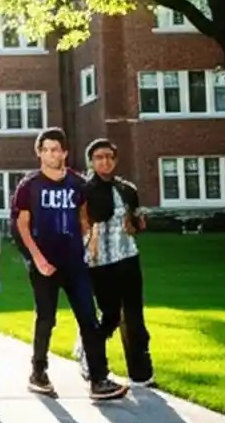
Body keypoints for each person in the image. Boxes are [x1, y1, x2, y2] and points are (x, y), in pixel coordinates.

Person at [10, 128, 128, 401]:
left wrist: (88, 241)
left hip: (74, 262)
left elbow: (86, 219)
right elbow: (21, 225)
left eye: (56, 149)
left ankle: (99, 379)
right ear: (39, 152)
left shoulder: (78, 183)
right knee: (46, 318)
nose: (51, 154)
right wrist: (37, 259)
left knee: (88, 318)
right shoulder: (29, 185)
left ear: (64, 153)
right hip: (44, 264)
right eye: (46, 149)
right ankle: (38, 373)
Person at [79, 138, 156, 387]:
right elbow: (81, 224)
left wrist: (138, 222)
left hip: (128, 256)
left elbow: (133, 223)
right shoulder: (84, 191)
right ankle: (88, 353)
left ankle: (141, 373)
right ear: (91, 161)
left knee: (134, 315)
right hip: (99, 261)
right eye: (99, 157)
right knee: (110, 314)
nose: (105, 161)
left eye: (109, 157)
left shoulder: (127, 189)